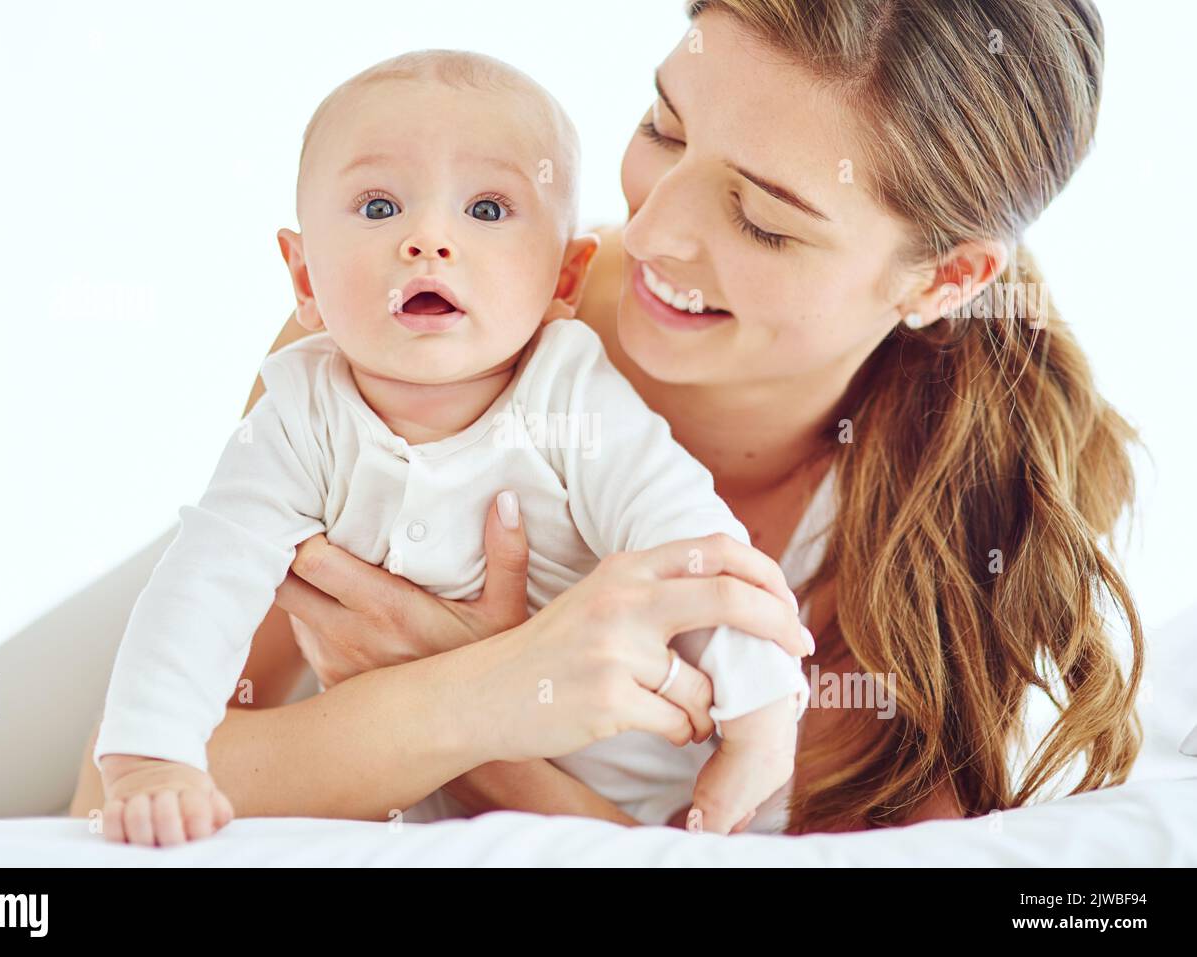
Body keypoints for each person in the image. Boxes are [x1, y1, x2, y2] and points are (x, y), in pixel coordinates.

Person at [70, 0, 1144, 840]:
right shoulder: (421, 334)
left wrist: (494, 722)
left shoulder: (969, 523)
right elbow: (107, 791)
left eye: (764, 223)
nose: (655, 229)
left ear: (944, 278)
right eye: (662, 128)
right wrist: (470, 698)